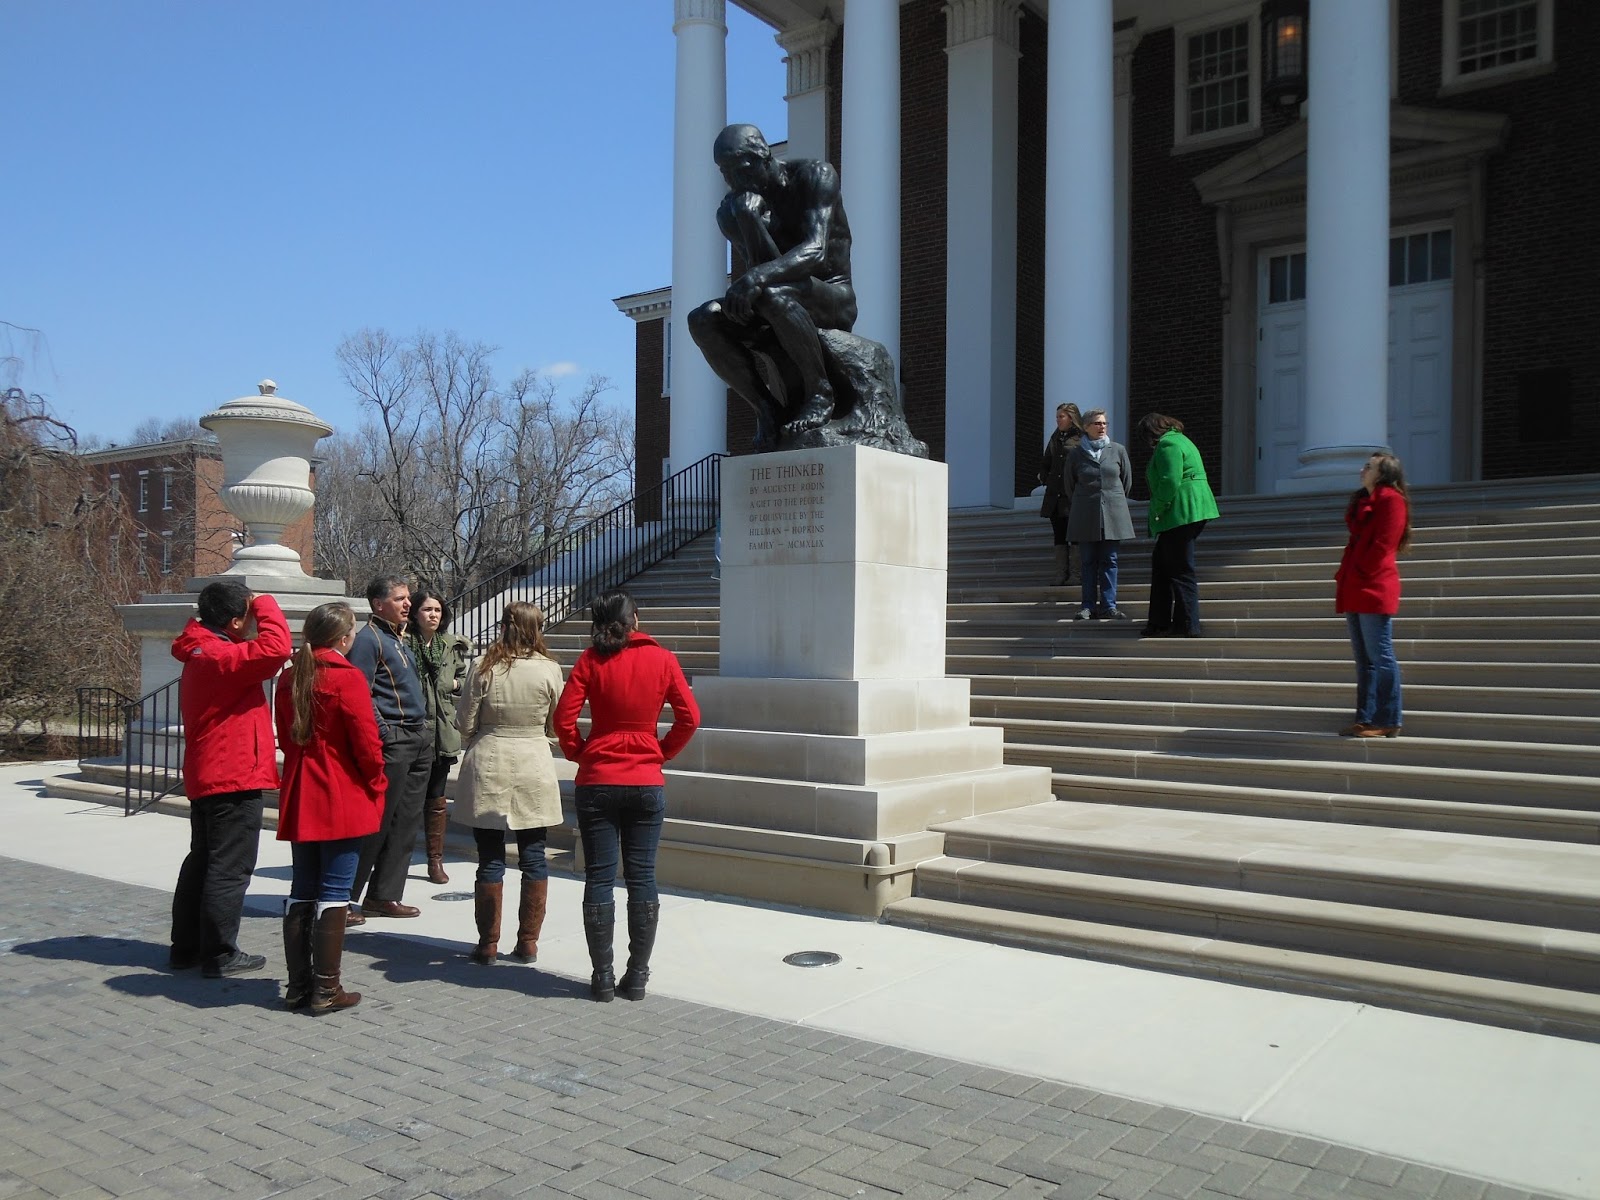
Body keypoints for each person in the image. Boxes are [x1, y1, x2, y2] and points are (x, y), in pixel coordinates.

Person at [553, 592, 700, 1002]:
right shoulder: (662, 659)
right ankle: (636, 978)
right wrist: (661, 752)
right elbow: (690, 718)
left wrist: (580, 752)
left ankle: (602, 977)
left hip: (598, 777)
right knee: (642, 878)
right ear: (635, 618)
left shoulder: (590, 659)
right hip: (644, 779)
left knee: (599, 878)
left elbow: (563, 719)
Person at [687, 123, 857, 449]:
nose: (732, 179)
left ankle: (820, 391)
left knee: (771, 292)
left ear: (762, 155)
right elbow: (762, 265)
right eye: (724, 171)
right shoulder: (735, 209)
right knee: (703, 318)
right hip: (778, 299)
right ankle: (766, 409)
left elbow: (816, 251)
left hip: (832, 295)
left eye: (739, 168)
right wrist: (749, 221)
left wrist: (757, 278)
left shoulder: (814, 176)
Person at [168, 581, 292, 977]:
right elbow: (276, 649)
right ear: (237, 621)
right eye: (248, 615)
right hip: (232, 776)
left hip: (213, 772)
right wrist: (265, 603)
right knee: (229, 868)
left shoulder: (204, 649)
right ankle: (220, 953)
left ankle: (187, 948)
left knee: (204, 861)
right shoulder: (221, 655)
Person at [273, 602, 386, 1014]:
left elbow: (285, 735)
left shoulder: (290, 676)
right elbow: (367, 743)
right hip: (339, 789)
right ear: (342, 638)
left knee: (302, 888)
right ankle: (326, 989)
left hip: (302, 786)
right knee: (335, 890)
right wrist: (377, 781)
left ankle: (298, 985)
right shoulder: (346, 677)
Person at [454, 602, 563, 966]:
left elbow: (465, 721)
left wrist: (483, 731)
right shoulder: (549, 669)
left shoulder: (484, 666)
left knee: (489, 857)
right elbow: (556, 724)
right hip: (533, 760)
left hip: (490, 758)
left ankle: (488, 944)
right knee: (534, 854)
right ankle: (528, 942)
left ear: (504, 627)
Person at [346, 574, 433, 922]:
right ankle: (343, 899)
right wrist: (385, 733)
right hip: (394, 741)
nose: (408, 604)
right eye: (399, 599)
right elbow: (359, 692)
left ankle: (384, 896)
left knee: (405, 825)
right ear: (378, 604)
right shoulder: (368, 640)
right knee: (376, 824)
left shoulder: (399, 638)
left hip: (418, 739)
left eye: (407, 598)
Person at [1336, 452, 1412, 738]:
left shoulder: (1392, 500)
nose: (1362, 469)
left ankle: (1388, 718)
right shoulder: (1362, 502)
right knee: (1364, 659)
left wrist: (1360, 571)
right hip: (1354, 584)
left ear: (1383, 473)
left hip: (1374, 585)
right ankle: (1366, 717)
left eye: (1369, 467)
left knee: (1380, 655)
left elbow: (1383, 545)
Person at [407, 586, 472, 885]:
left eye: (437, 610)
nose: (433, 615)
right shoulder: (404, 643)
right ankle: (395, 857)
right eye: (427, 609)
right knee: (406, 800)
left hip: (442, 730)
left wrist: (454, 686)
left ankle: (435, 860)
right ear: (415, 612)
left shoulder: (450, 644)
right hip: (412, 728)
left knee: (436, 798)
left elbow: (464, 679)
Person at [1137, 413, 1221, 638]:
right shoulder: (1182, 440)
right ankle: (1160, 623)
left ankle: (1186, 625)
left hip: (1181, 512)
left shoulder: (1168, 445)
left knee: (1180, 569)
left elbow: (1170, 480)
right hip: (1192, 510)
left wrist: (1157, 508)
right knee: (1163, 565)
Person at [1065, 409, 1135, 621]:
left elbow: (1126, 482)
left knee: (1110, 560)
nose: (1102, 426)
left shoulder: (1118, 450)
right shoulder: (1076, 454)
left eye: (1104, 423)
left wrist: (1111, 499)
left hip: (1112, 513)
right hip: (1086, 514)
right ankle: (1087, 606)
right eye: (1097, 423)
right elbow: (1069, 485)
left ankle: (1108, 605)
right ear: (1086, 427)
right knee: (1087, 561)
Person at [1038, 403, 1083, 587]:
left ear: (1071, 418)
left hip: (1072, 495)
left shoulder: (1081, 438)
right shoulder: (1055, 437)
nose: (1057, 420)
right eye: (1057, 417)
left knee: (1075, 534)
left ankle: (1076, 574)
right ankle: (1060, 574)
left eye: (1061, 416)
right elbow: (1047, 460)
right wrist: (1044, 475)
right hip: (1055, 495)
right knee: (1059, 534)